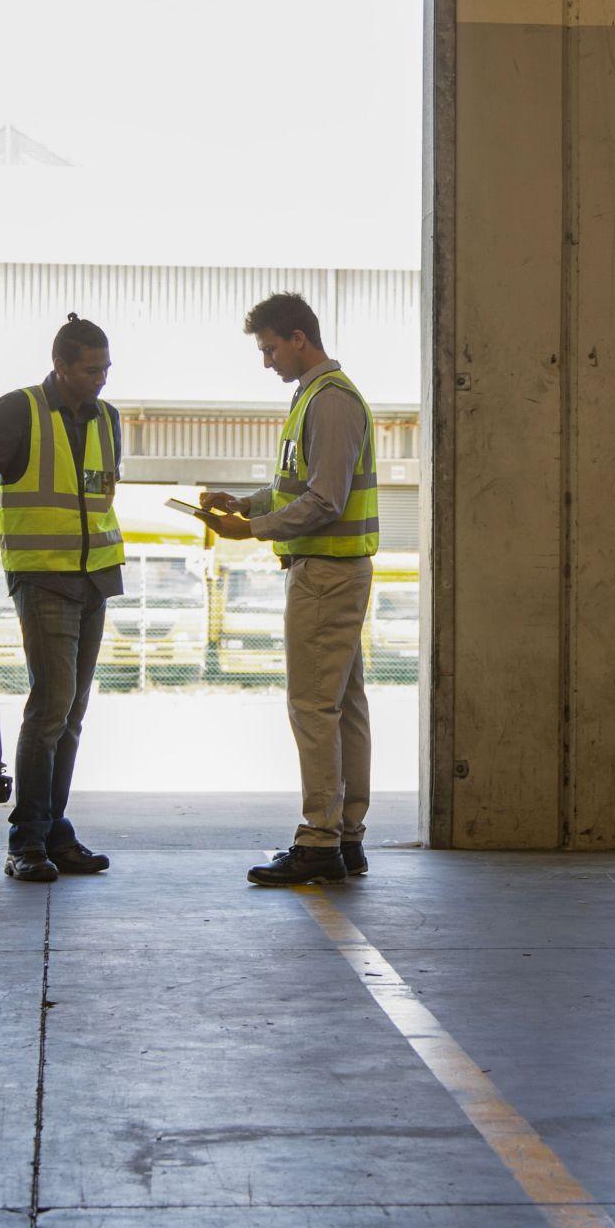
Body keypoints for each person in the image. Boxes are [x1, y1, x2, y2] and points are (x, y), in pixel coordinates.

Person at [201, 292, 378, 886]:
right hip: (334, 573)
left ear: (299, 338)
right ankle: (345, 837)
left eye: (271, 348)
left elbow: (324, 500)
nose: (267, 360)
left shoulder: (329, 403)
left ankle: (319, 840)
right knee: (343, 707)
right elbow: (296, 487)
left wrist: (250, 529)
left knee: (313, 709)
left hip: (325, 576)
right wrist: (243, 503)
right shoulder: (316, 399)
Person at [0, 314, 122, 884]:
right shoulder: (20, 409)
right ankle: (27, 841)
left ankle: (51, 830)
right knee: (50, 709)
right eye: (91, 370)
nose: (101, 380)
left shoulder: (108, 419)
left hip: (95, 577)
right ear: (61, 366)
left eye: (106, 369)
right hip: (43, 576)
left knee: (71, 715)